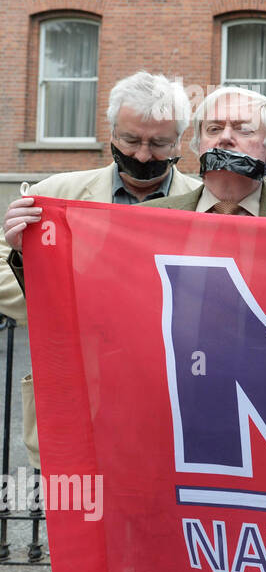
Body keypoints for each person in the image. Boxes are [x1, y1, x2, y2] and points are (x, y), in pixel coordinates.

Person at [1, 70, 199, 466]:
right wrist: (24, 257)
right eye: (130, 140)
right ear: (110, 132)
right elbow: (5, 282)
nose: (142, 156)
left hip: (174, 420)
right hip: (73, 412)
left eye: (159, 144)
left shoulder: (205, 205)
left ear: (180, 141)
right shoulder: (51, 195)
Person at [150, 87, 266, 218]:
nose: (225, 137)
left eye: (244, 129)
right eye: (214, 129)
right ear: (198, 145)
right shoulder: (152, 216)